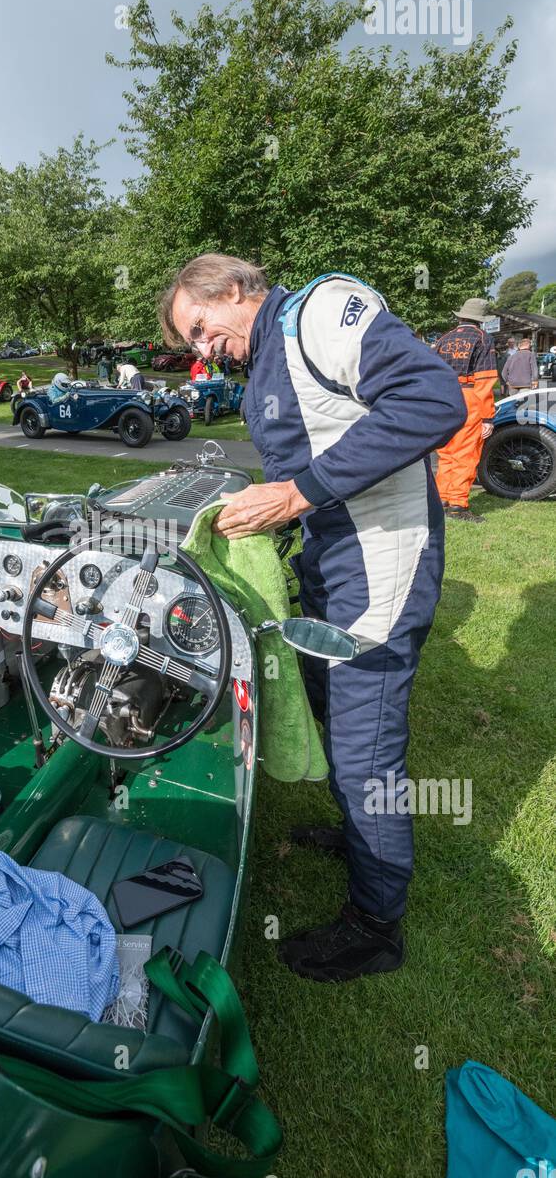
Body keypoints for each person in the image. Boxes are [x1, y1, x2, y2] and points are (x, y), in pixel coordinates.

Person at [160, 253, 466, 982]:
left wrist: (296, 495)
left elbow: (433, 399)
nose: (202, 350)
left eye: (200, 328)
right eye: (190, 343)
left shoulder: (319, 312)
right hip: (332, 564)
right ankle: (357, 833)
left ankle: (375, 926)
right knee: (334, 711)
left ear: (233, 289)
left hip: (380, 570)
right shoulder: (265, 354)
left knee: (366, 755)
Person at [432, 298, 498, 524]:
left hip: (444, 398)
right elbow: (485, 380)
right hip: (470, 397)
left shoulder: (443, 339)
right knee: (466, 454)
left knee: (447, 452)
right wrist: (487, 416)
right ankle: (458, 505)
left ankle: (441, 500)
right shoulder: (483, 339)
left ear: (460, 316)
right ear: (481, 320)